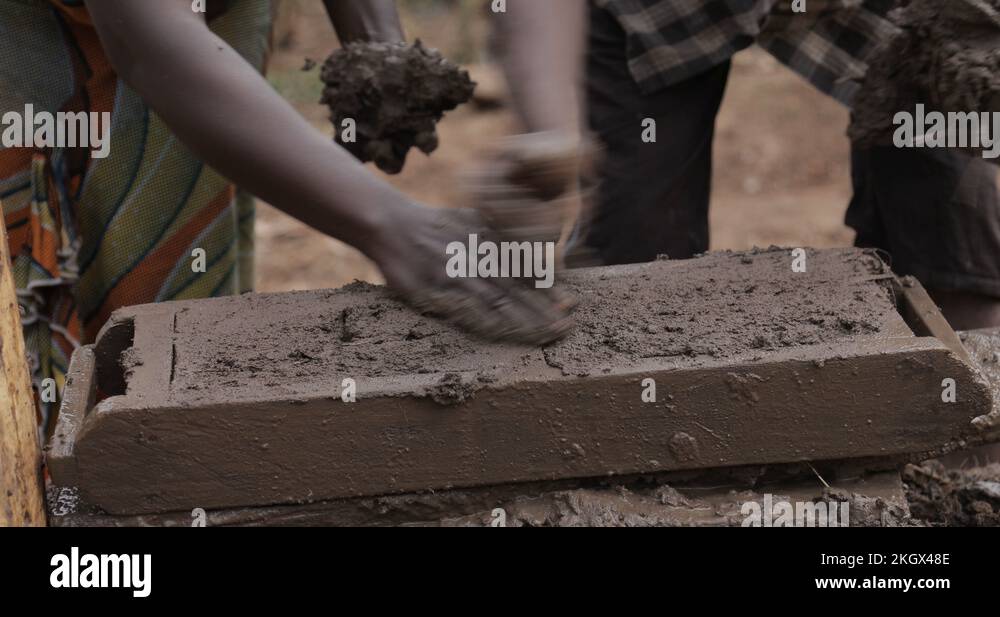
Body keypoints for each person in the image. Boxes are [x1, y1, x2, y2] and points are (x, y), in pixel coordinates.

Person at [0, 0, 571, 433]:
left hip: (203, 28)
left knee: (171, 300)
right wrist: (392, 225)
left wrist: (378, 52)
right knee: (34, 368)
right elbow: (144, 35)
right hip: (49, 35)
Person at [497, 0, 1000, 332]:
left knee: (955, 215)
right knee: (635, 257)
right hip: (657, 13)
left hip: (903, 8)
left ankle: (962, 456)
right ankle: (647, 443)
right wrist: (551, 141)